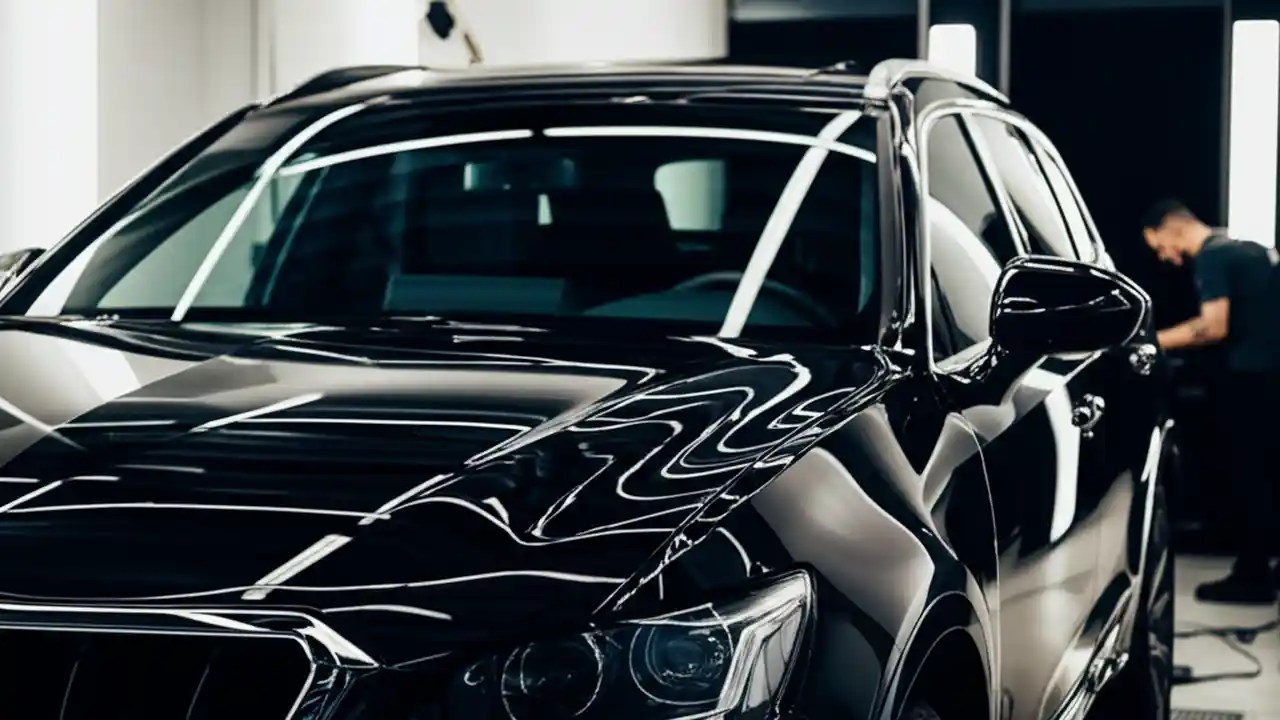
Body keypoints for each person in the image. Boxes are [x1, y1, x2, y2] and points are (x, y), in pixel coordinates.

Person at [1143, 199, 1280, 604]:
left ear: (1172, 228)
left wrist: (1150, 340)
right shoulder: (1249, 249)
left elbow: (1212, 326)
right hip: (1274, 376)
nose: (1165, 257)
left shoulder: (1212, 257)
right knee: (1272, 476)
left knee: (1251, 477)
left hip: (1251, 382)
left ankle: (1252, 577)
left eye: (1159, 246)